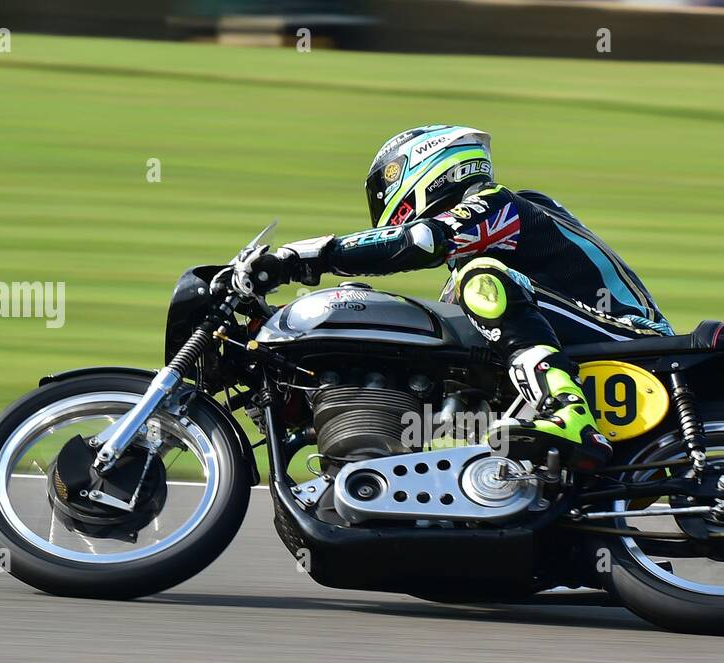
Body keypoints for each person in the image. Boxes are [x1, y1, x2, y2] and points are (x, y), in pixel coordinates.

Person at [231, 124, 674, 471]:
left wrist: (303, 258)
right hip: (581, 346)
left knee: (480, 279)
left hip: (629, 342)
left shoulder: (503, 206)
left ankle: (568, 412)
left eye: (387, 186)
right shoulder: (480, 279)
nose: (385, 207)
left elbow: (422, 240)